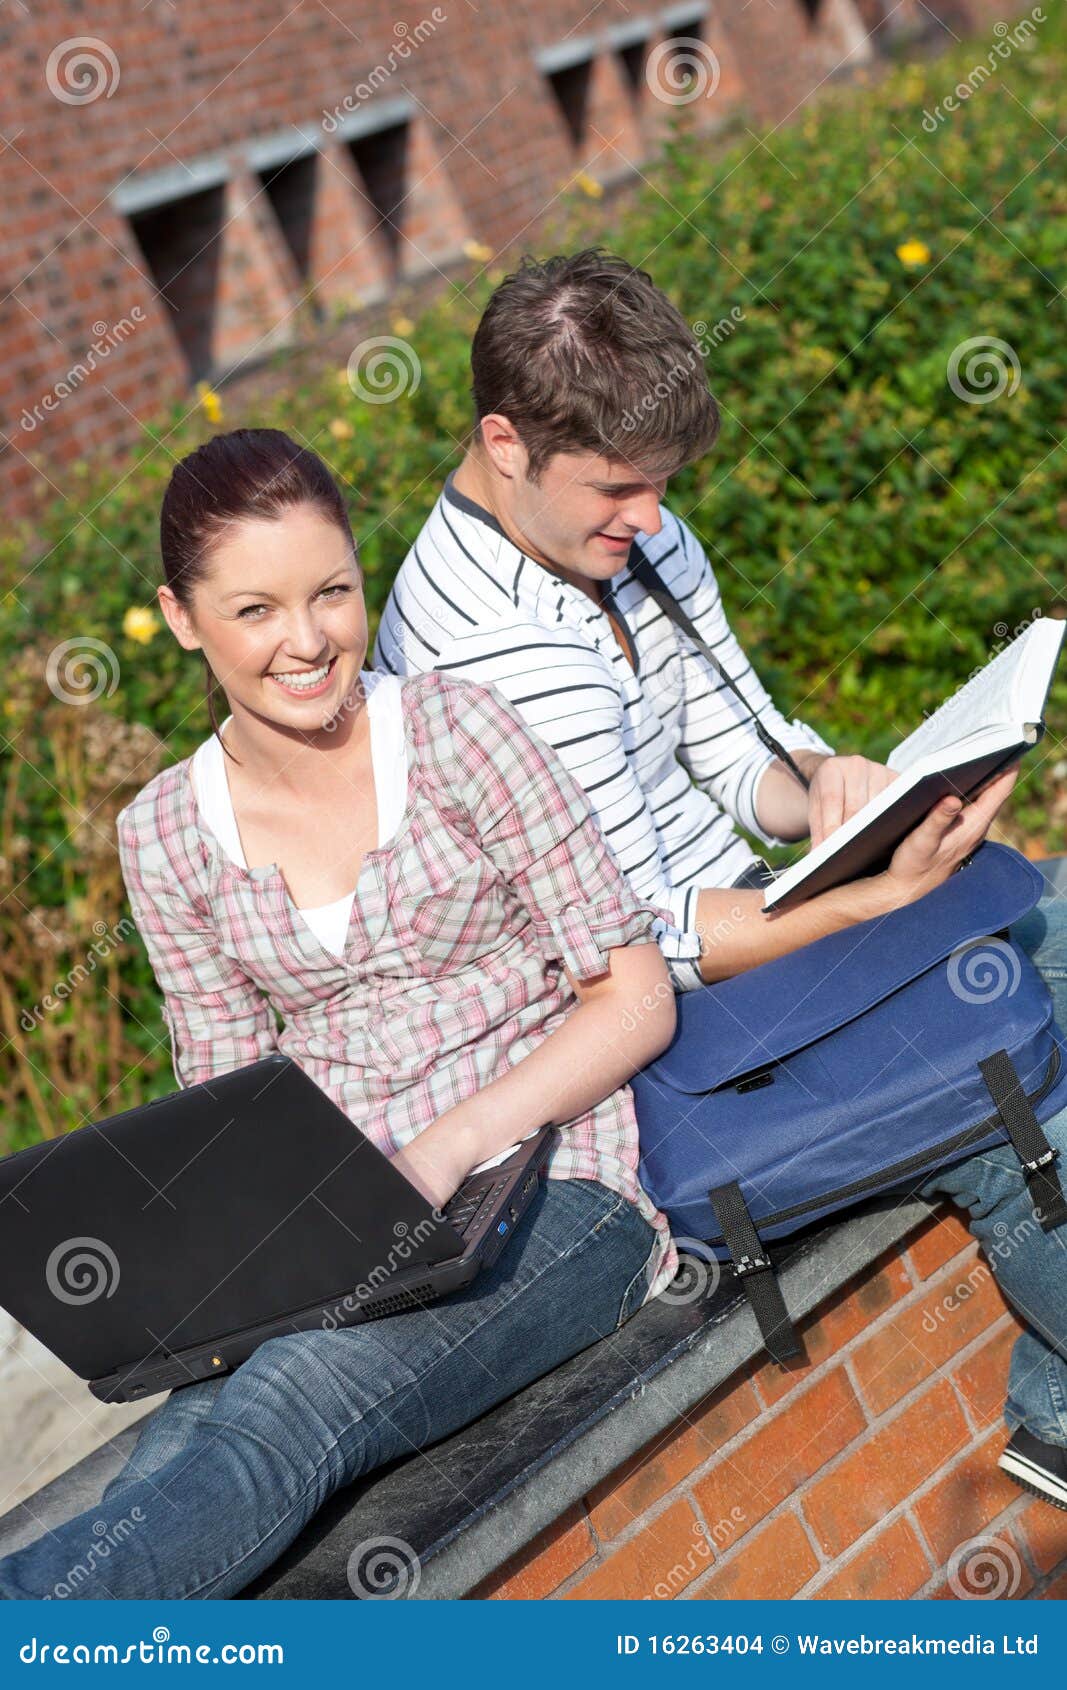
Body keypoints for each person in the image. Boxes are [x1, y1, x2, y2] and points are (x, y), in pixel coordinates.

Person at [376, 250, 1067, 1511]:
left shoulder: (618, 533)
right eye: (619, 489)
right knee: (1015, 1040)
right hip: (657, 1029)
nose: (648, 518)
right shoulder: (483, 654)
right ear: (502, 441)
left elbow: (738, 750)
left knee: (1038, 945)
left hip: (766, 931)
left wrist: (842, 788)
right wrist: (869, 898)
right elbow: (633, 940)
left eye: (660, 487)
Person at [0, 428, 679, 1600]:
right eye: (256, 609)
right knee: (160, 1463)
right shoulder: (163, 836)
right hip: (328, 1247)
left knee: (289, 1401)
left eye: (331, 592)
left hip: (553, 1196)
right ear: (181, 616)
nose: (307, 640)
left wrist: (449, 1142)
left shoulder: (461, 732)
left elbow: (632, 994)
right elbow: (227, 1111)